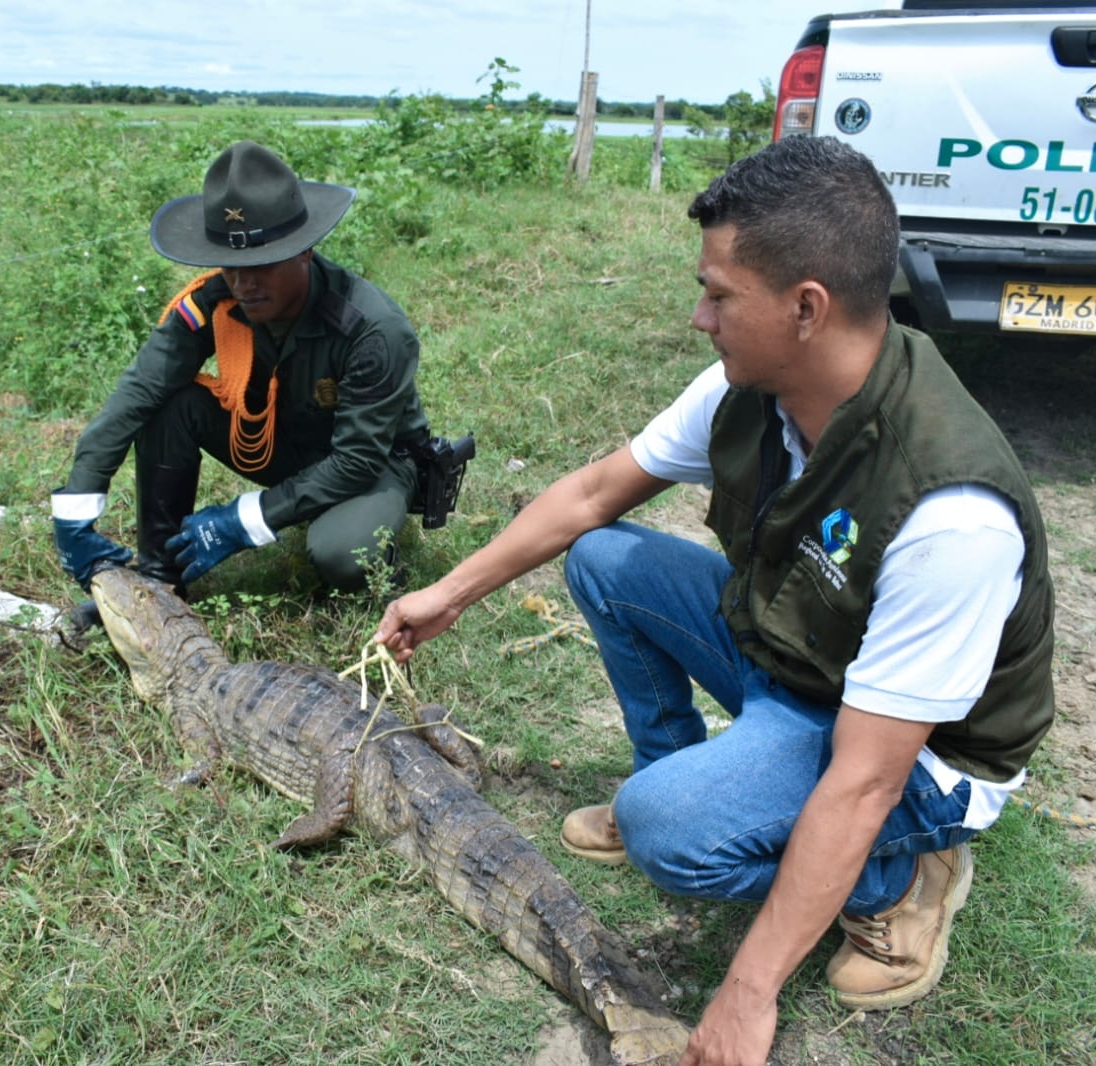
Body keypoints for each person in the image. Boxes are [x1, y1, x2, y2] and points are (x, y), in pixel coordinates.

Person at [374, 136, 1055, 1065]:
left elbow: (864, 780)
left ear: (805, 307)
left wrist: (746, 993)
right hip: (806, 661)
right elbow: (590, 496)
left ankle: (901, 879)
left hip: (916, 753)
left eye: (719, 294)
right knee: (606, 558)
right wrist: (448, 593)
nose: (700, 317)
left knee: (673, 837)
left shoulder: (950, 515)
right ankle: (682, 777)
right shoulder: (754, 388)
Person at [52, 140, 431, 595]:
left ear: (304, 251)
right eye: (230, 266)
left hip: (371, 463)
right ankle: (159, 579)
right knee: (169, 401)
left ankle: (373, 535)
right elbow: (141, 389)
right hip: (285, 444)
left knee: (343, 555)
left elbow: (357, 459)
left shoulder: (371, 328)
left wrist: (242, 520)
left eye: (261, 265)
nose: (243, 283)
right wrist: (76, 505)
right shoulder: (217, 300)